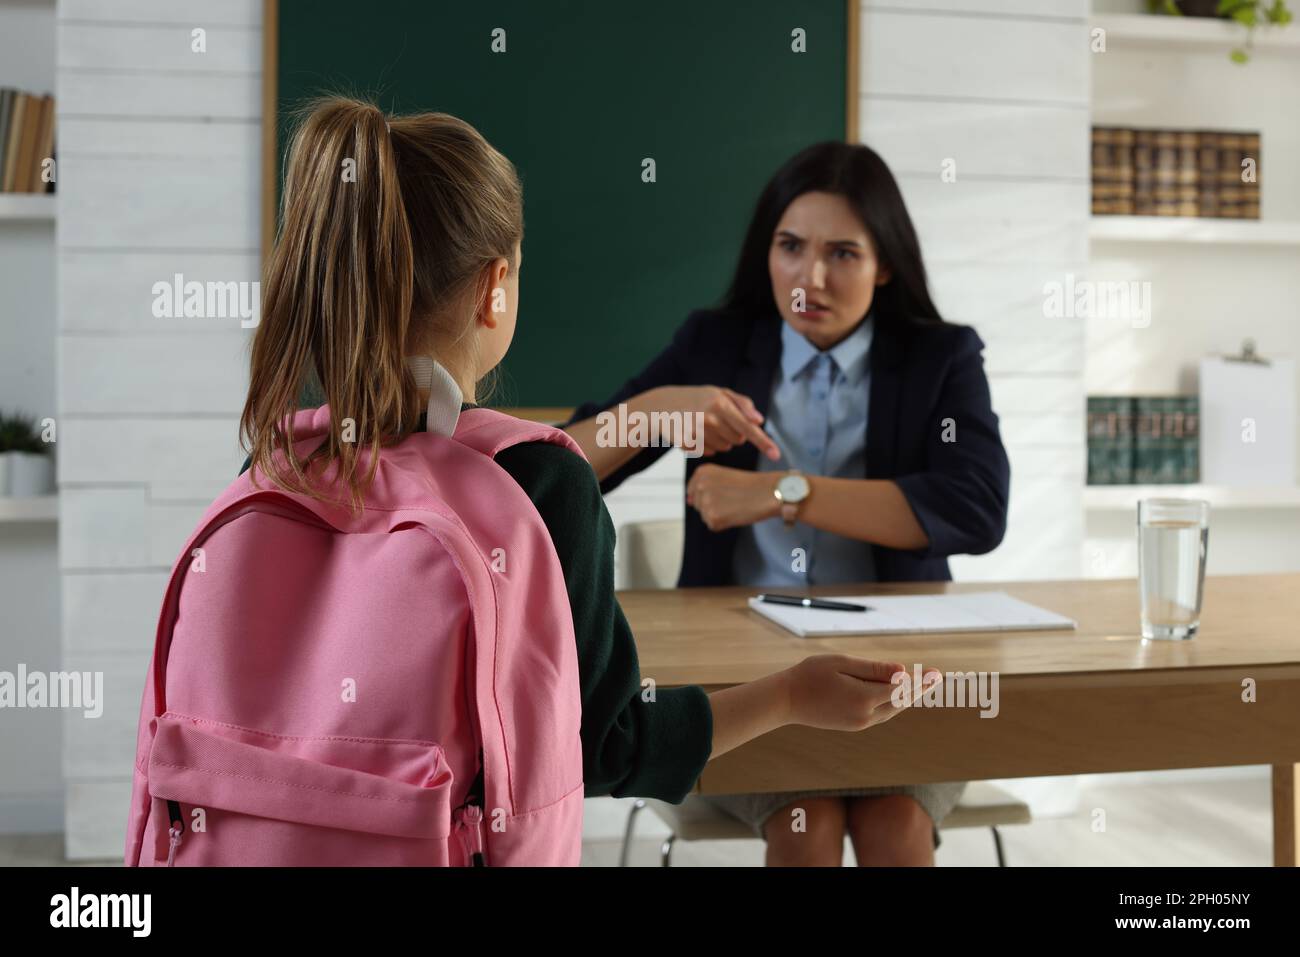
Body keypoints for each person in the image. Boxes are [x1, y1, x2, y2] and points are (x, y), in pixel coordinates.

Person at [563, 141, 1011, 865]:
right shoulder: (715, 344)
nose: (811, 277)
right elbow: (559, 474)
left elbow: (978, 507)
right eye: (791, 247)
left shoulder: (940, 358)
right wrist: (653, 408)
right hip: (748, 684)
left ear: (885, 265)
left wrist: (779, 493)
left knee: (896, 824)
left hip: (896, 674)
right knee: (806, 821)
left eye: (843, 254)